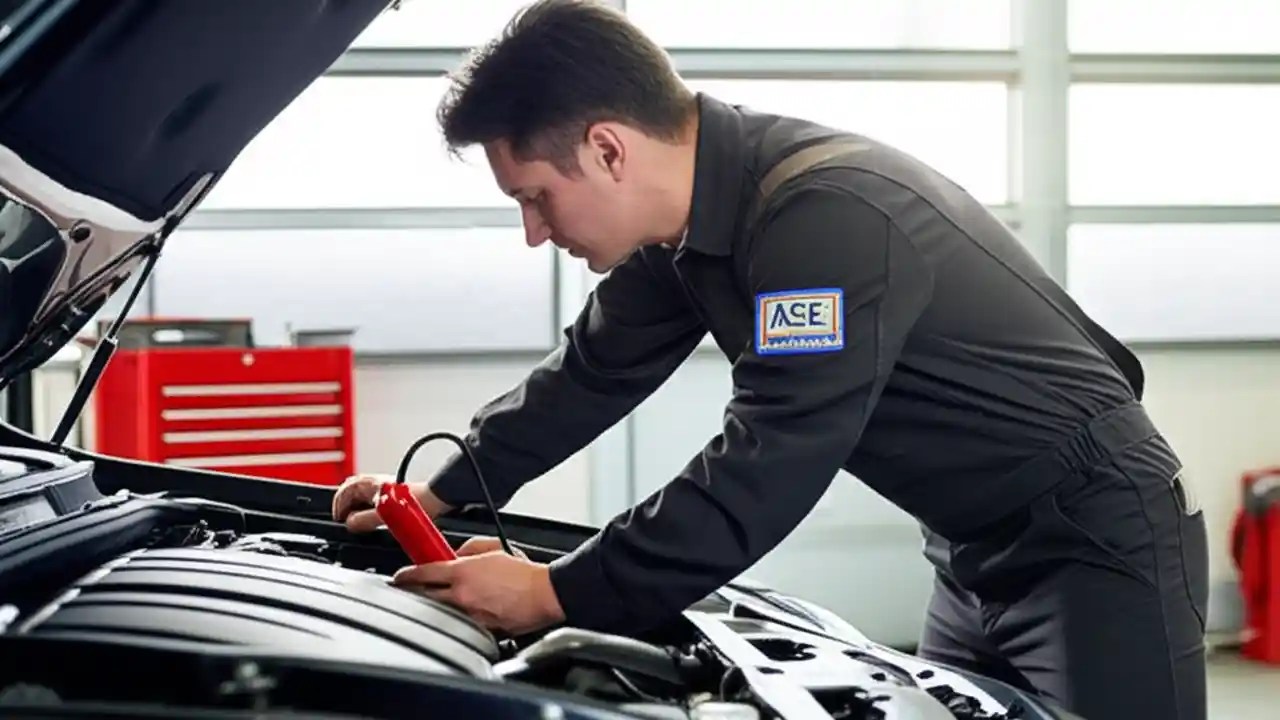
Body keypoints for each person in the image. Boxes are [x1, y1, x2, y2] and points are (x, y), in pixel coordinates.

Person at [331, 1, 1209, 717]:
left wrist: (560, 594)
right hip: (971, 548)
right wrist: (438, 493)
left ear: (607, 149)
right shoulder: (685, 231)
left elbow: (773, 458)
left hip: (1096, 537)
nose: (534, 233)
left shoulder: (823, 219)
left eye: (535, 198)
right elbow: (591, 376)